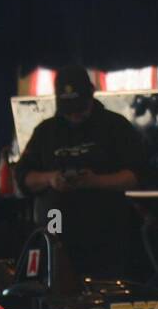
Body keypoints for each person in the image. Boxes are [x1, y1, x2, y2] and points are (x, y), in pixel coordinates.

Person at [14, 64, 147, 278]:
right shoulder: (46, 131)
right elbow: (23, 177)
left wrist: (96, 181)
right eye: (69, 110)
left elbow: (137, 175)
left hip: (107, 237)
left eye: (79, 108)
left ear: (91, 93)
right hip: (57, 236)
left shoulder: (115, 126)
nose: (75, 115)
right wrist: (50, 179)